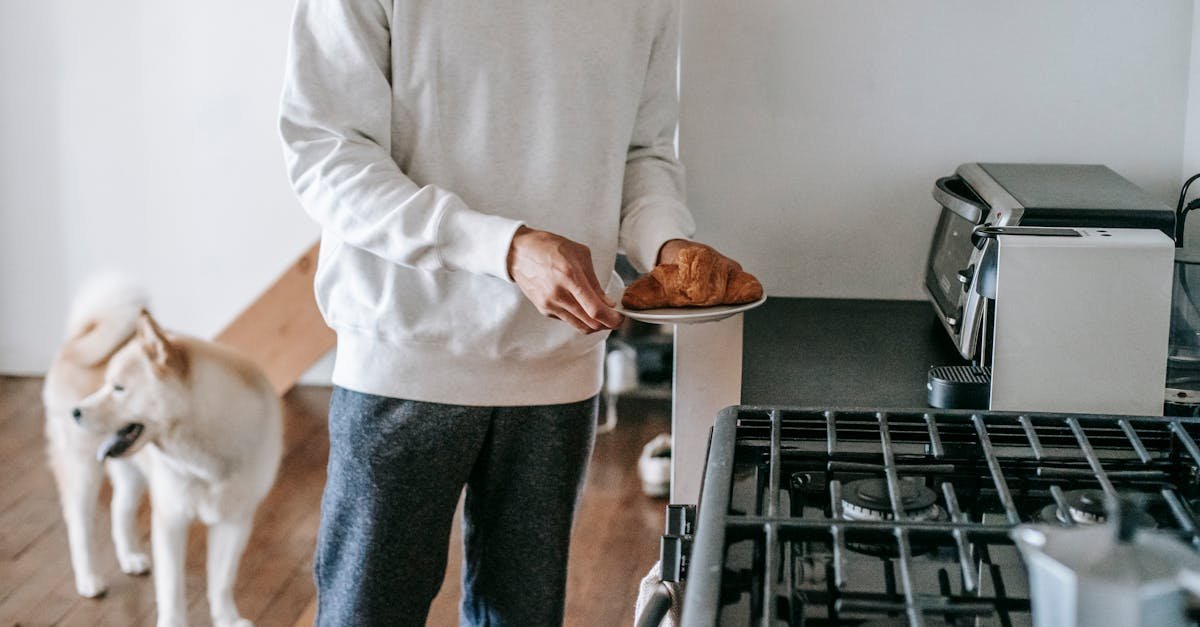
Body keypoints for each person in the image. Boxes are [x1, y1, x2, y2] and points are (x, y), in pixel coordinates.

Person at [279, 1, 745, 624]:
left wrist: (666, 242)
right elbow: (326, 155)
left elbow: (641, 152)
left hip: (558, 366)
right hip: (405, 359)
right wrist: (504, 247)